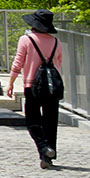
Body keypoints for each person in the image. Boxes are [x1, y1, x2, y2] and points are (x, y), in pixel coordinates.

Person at [7, 9, 65, 169]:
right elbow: (59, 64)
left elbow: (18, 62)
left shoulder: (26, 40)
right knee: (50, 121)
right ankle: (48, 155)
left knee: (32, 121)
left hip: (32, 85)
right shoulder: (56, 42)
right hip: (52, 87)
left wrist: (11, 82)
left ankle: (44, 148)